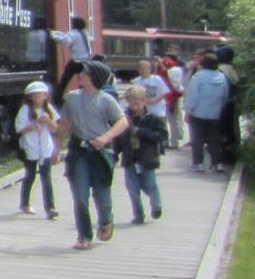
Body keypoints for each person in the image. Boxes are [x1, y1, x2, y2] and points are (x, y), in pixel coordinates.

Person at [58, 60, 128, 251]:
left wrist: (105, 138)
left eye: (85, 74)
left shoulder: (106, 100)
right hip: (79, 151)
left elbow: (122, 122)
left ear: (95, 78)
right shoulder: (72, 98)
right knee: (80, 195)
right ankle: (84, 236)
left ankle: (106, 220)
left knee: (101, 193)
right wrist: (56, 150)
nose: (80, 76)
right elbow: (65, 123)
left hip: (100, 152)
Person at [116, 85, 166, 224]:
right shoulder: (124, 119)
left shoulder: (153, 119)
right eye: (131, 104)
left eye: (137, 104)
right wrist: (115, 153)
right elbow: (118, 138)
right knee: (132, 188)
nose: (134, 107)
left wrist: (142, 132)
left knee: (150, 185)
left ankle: (156, 206)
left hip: (147, 157)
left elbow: (163, 135)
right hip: (130, 158)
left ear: (144, 101)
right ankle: (138, 214)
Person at [15, 81, 59, 219]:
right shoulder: (25, 110)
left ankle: (50, 207)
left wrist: (47, 121)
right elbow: (20, 129)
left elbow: (55, 128)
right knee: (30, 175)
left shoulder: (49, 109)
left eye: (39, 94)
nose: (36, 97)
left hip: (45, 148)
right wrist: (36, 123)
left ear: (45, 95)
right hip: (30, 147)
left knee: (46, 178)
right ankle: (25, 203)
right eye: (33, 95)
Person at [184, 52, 230, 173]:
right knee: (214, 139)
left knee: (197, 139)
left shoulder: (198, 77)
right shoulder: (222, 77)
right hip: (215, 113)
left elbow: (192, 96)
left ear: (203, 63)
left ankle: (199, 163)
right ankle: (217, 163)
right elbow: (225, 96)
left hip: (198, 113)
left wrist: (188, 111)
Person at [50, 16, 92, 103]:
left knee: (64, 80)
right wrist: (56, 32)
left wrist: (53, 36)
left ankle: (57, 98)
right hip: (86, 61)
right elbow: (66, 35)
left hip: (76, 61)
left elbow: (66, 41)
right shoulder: (85, 33)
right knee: (84, 80)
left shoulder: (73, 33)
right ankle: (85, 97)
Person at [215, 45, 240, 167]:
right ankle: (232, 151)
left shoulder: (220, 70)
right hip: (233, 103)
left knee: (223, 130)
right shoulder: (233, 69)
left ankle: (226, 154)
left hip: (223, 105)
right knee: (231, 130)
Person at [161, 50, 186, 150]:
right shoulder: (175, 69)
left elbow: (175, 83)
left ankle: (173, 141)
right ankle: (170, 141)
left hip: (173, 97)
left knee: (172, 120)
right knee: (171, 120)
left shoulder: (174, 70)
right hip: (172, 96)